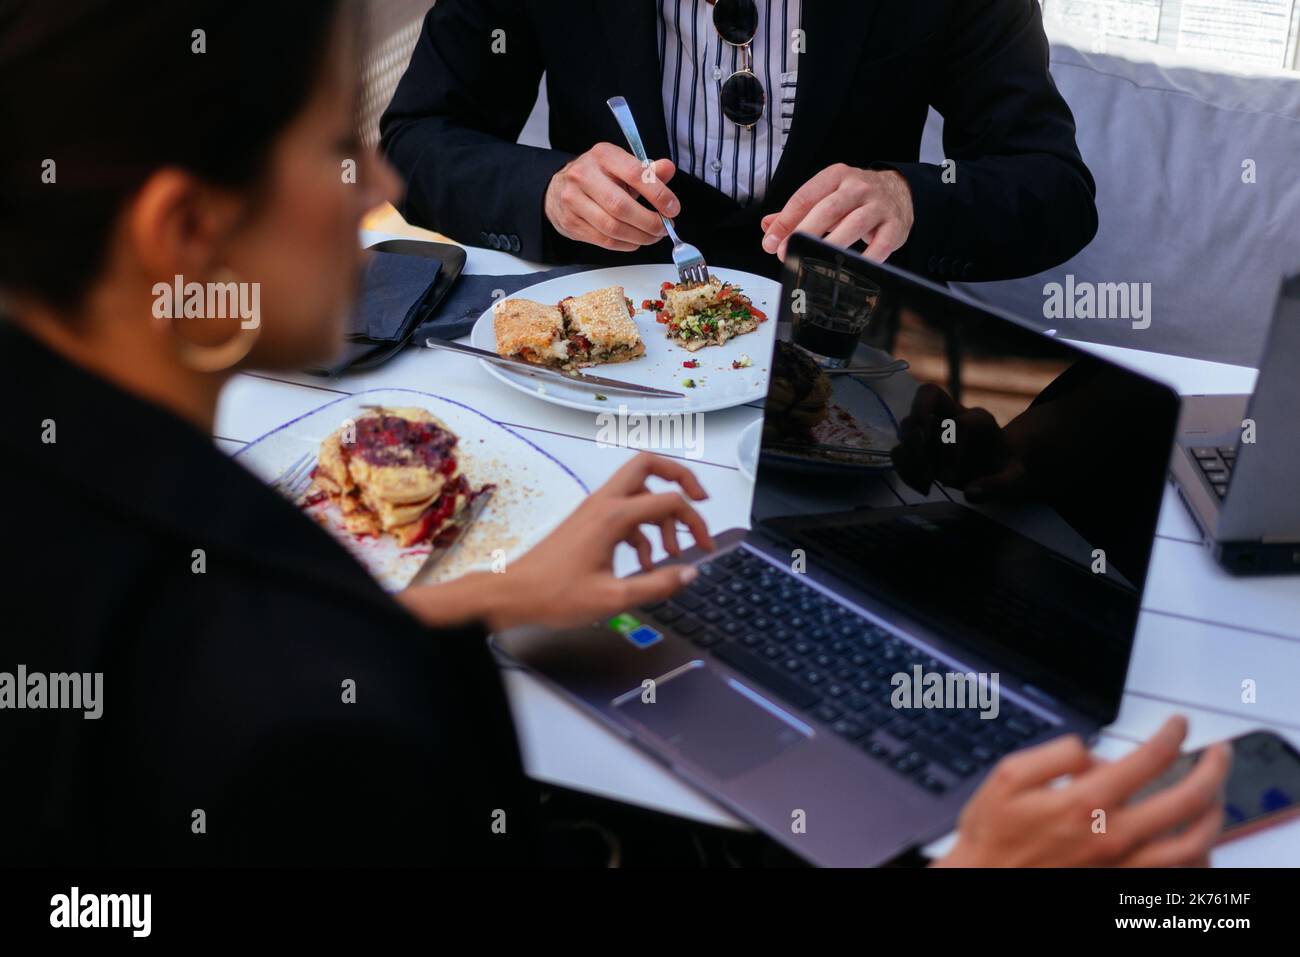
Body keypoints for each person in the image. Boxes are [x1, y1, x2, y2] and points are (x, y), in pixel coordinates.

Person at [0, 0, 1226, 867]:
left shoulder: (142, 523)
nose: (377, 186)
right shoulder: (325, 739)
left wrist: (470, 600)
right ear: (181, 236)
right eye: (337, 149)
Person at [381, 0, 1099, 282]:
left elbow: (1054, 188)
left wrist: (909, 199)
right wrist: (545, 190)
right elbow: (414, 141)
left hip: (837, 369)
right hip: (595, 353)